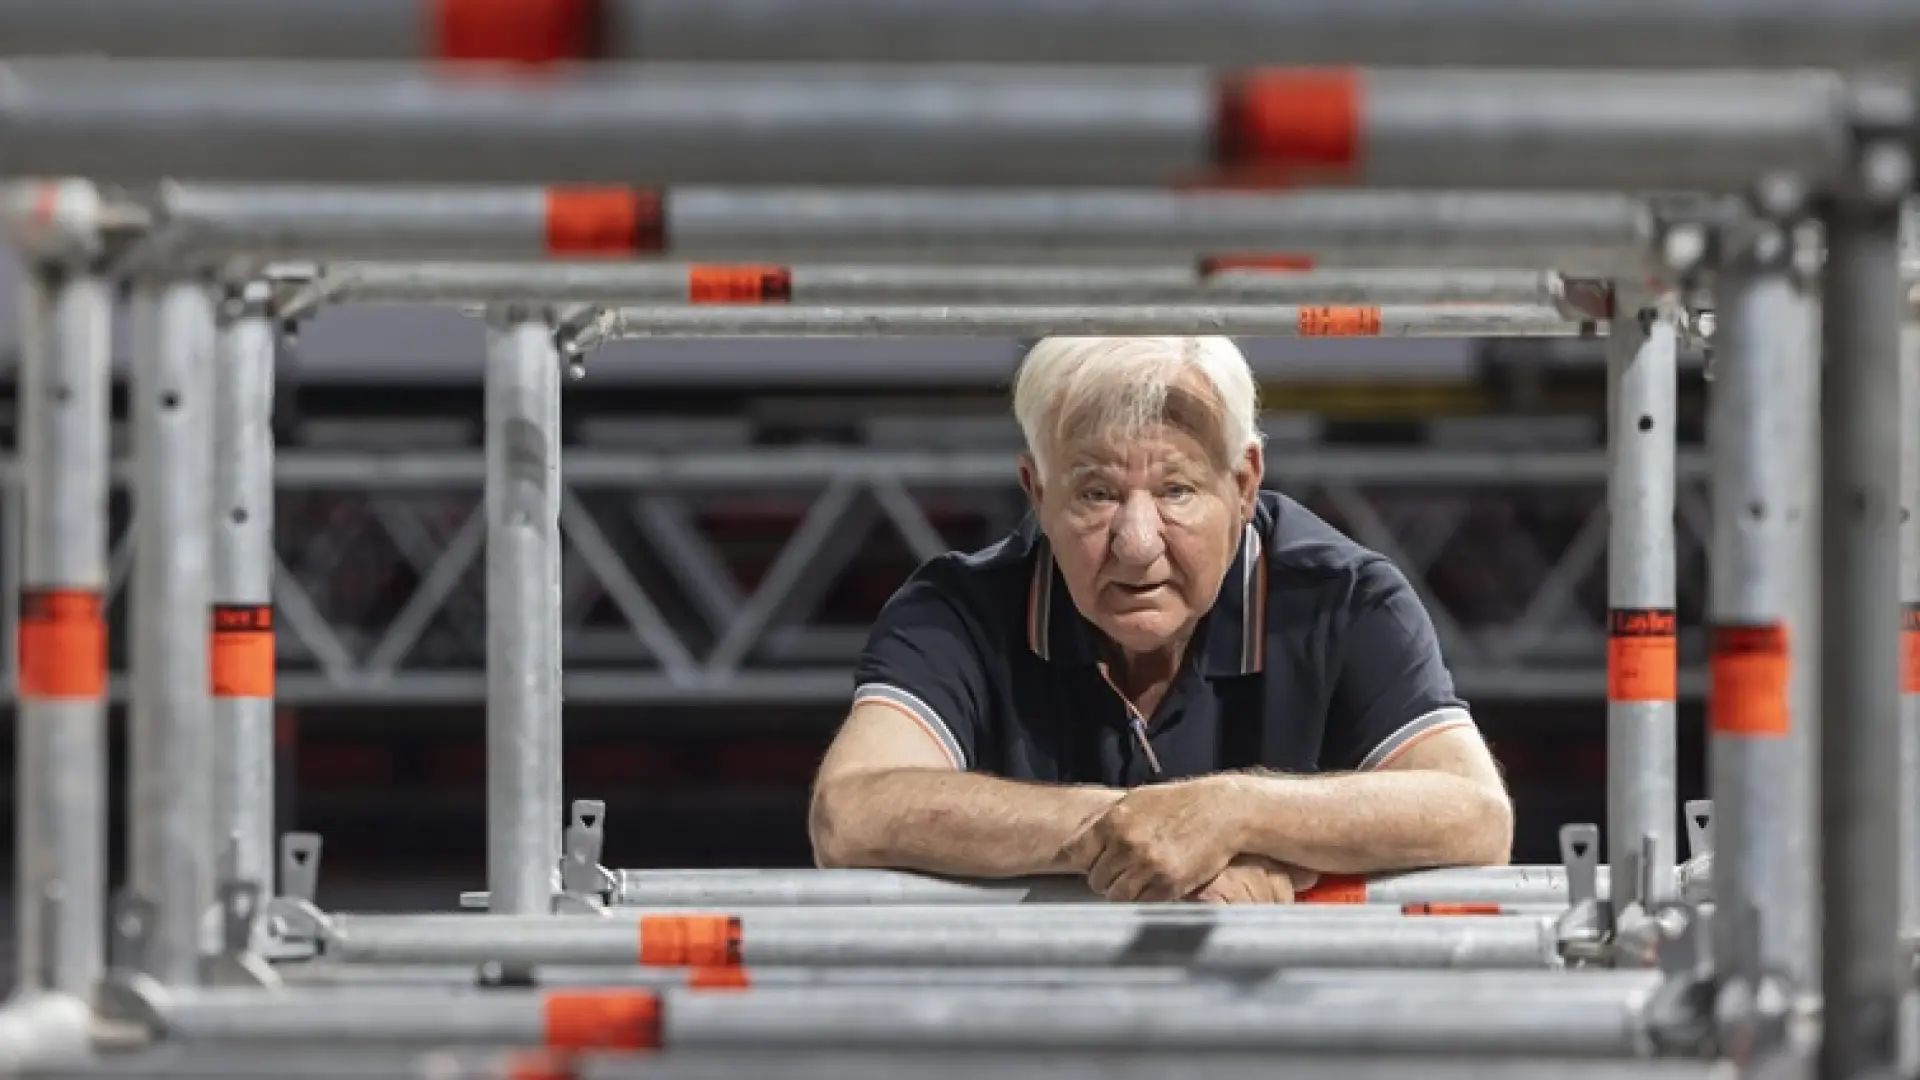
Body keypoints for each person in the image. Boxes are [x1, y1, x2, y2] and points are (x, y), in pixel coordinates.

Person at [809, 337, 1512, 904]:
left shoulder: (1345, 597)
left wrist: (1235, 812)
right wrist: (1137, 836)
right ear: (1037, 491)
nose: (1137, 542)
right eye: (1095, 493)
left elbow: (1475, 815)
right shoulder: (955, 610)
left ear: (1243, 483)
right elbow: (850, 812)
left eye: (1175, 489)